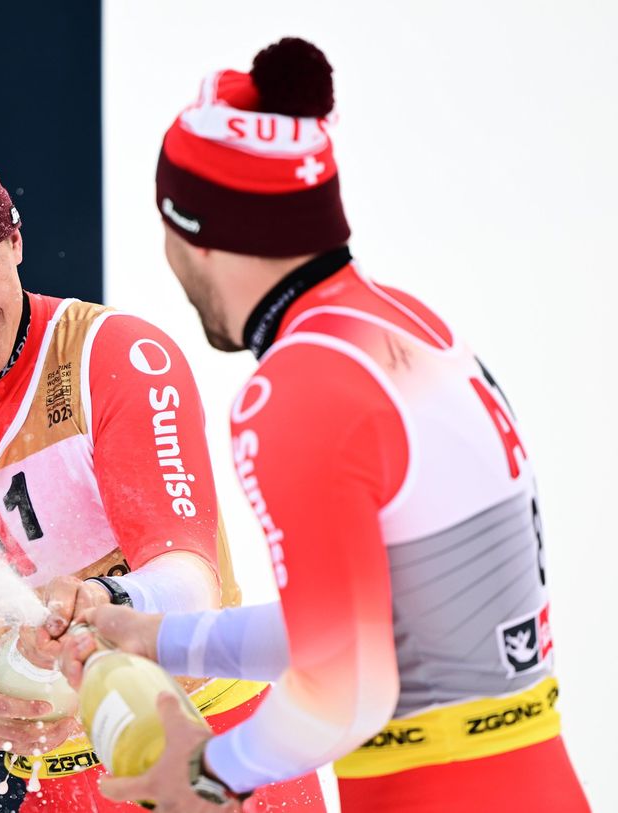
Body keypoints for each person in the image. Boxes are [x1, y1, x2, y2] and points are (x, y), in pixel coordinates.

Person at [59, 37, 592, 813]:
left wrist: (209, 771)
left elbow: (349, 689)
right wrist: (157, 637)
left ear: (192, 232)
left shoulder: (298, 388)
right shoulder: (407, 329)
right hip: (528, 780)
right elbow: (350, 626)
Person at [0, 87, 326, 812]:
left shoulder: (115, 355)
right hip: (57, 780)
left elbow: (188, 579)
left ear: (14, 241)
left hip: (214, 738)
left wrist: (103, 599)